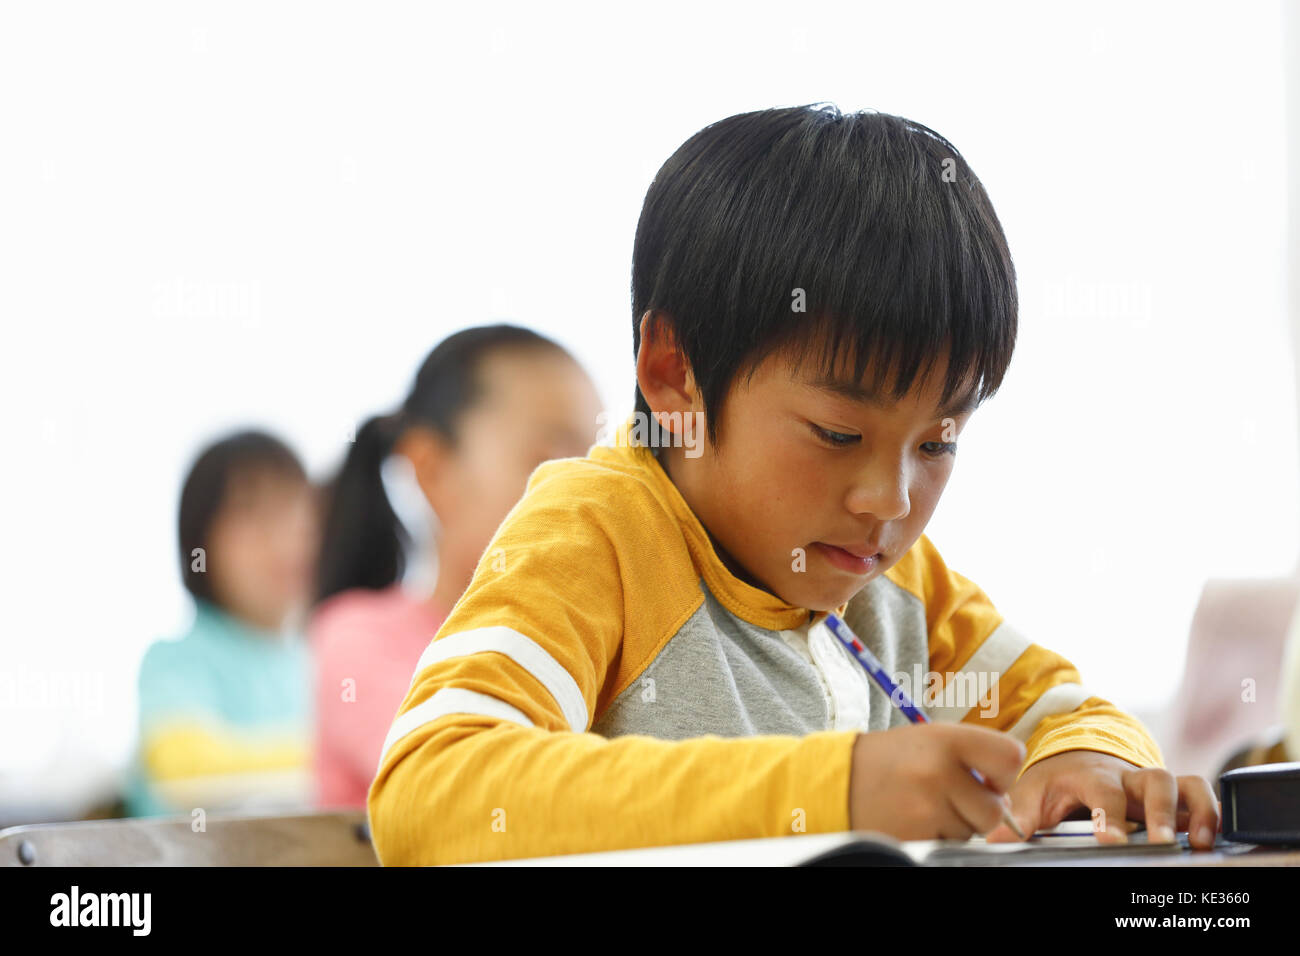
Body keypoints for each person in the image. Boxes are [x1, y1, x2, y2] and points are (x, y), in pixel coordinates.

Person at [367, 105, 1222, 865]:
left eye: (939, 443)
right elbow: (428, 789)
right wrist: (832, 790)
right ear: (675, 375)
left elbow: (1065, 715)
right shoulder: (599, 533)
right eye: (838, 433)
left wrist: (1093, 764)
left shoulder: (896, 590)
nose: (889, 501)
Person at [310, 324, 602, 809]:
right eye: (550, 459)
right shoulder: (357, 638)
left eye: (593, 464)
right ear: (431, 469)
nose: (587, 493)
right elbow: (465, 781)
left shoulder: (595, 639)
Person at [126, 430, 318, 817]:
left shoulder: (316, 657)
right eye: (253, 515)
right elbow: (186, 770)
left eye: (295, 514)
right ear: (200, 540)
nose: (283, 542)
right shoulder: (176, 660)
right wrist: (337, 752)